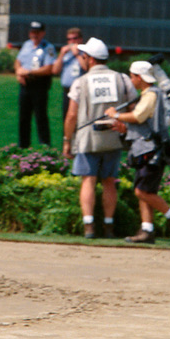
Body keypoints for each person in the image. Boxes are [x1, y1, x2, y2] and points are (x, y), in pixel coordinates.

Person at [105, 62, 170, 244]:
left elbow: (138, 116)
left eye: (132, 76)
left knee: (142, 192)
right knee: (146, 190)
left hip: (152, 151)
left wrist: (116, 115)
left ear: (140, 78)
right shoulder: (148, 95)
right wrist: (124, 130)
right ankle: (147, 230)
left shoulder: (151, 94)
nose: (130, 79)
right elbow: (142, 124)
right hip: (146, 150)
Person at [61, 38, 137, 239]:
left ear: (91, 59)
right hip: (114, 136)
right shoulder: (122, 79)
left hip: (88, 139)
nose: (83, 59)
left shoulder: (81, 81)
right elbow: (134, 109)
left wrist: (67, 140)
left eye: (84, 56)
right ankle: (109, 226)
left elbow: (71, 115)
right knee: (109, 181)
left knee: (89, 180)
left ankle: (89, 226)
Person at [14, 20, 57, 148]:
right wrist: (18, 72)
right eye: (33, 32)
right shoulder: (27, 45)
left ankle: (45, 145)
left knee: (40, 116)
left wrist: (29, 72)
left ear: (42, 33)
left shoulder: (48, 48)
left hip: (39, 85)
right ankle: (23, 146)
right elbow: (18, 61)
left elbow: (49, 68)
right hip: (25, 84)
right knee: (23, 117)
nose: (34, 35)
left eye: (37, 32)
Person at [54, 27, 84, 118]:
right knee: (66, 118)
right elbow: (55, 70)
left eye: (74, 38)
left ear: (80, 39)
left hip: (80, 92)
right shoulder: (66, 54)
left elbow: (85, 67)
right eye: (69, 39)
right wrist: (61, 54)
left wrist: (77, 54)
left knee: (78, 119)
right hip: (67, 91)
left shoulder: (84, 53)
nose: (72, 41)